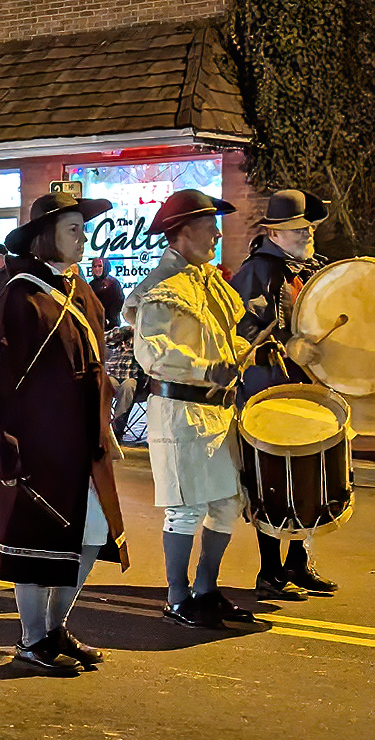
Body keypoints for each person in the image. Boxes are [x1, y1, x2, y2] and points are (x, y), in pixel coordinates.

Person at [0, 191, 130, 675]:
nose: (83, 239)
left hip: (81, 441)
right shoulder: (19, 295)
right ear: (46, 237)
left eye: (83, 230)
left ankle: (56, 628)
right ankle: (31, 639)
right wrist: (3, 449)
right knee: (35, 543)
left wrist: (104, 424)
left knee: (90, 535)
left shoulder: (79, 287)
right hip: (35, 442)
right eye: (73, 230)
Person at [124, 189, 254, 630]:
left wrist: (246, 353)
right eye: (207, 226)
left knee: (225, 503)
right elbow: (152, 351)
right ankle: (177, 597)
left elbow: (219, 342)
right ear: (180, 233)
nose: (217, 233)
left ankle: (206, 590)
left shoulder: (206, 280)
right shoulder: (164, 288)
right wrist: (206, 369)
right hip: (180, 410)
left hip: (217, 410)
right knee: (187, 506)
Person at [231, 189, 338, 601]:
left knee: (307, 479)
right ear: (274, 233)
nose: (308, 233)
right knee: (272, 481)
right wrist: (287, 342)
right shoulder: (257, 272)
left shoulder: (313, 269)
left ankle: (297, 562)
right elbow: (240, 333)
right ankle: (269, 570)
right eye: (298, 228)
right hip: (270, 390)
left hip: (308, 390)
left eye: (309, 227)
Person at [104, 324, 145, 443]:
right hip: (114, 375)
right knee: (103, 386)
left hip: (132, 377)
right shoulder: (122, 335)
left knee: (128, 387)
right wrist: (126, 330)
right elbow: (106, 339)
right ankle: (102, 425)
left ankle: (117, 429)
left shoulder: (144, 338)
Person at [90, 257, 125, 328]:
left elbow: (120, 301)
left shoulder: (113, 283)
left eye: (100, 266)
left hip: (112, 322)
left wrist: (109, 316)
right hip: (96, 322)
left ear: (105, 267)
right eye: (95, 266)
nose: (97, 269)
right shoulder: (91, 284)